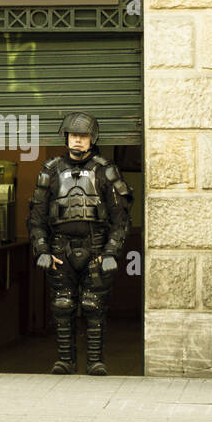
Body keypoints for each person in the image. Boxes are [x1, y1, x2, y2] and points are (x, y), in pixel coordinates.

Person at [28, 112, 132, 375]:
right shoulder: (50, 170)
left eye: (83, 136)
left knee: (92, 305)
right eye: (73, 136)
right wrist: (41, 249)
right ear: (66, 138)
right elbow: (36, 216)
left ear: (92, 139)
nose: (77, 141)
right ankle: (65, 360)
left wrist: (111, 252)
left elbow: (121, 218)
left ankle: (95, 361)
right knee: (62, 305)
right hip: (60, 248)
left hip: (96, 248)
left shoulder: (105, 170)